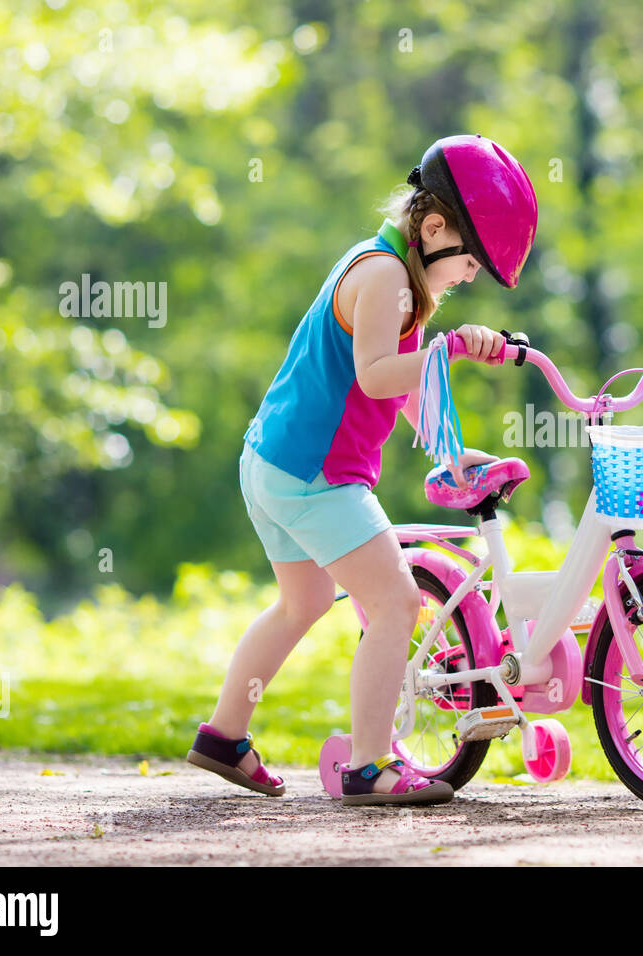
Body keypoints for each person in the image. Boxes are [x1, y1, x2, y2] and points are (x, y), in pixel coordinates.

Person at [186, 134, 537, 805]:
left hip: (274, 463)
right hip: (316, 475)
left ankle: (224, 737)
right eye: (469, 260)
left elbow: (400, 388)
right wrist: (454, 349)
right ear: (433, 228)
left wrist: (445, 447)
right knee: (397, 602)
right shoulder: (381, 279)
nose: (468, 276)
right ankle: (370, 767)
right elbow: (375, 377)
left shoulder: (387, 270)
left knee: (304, 601)